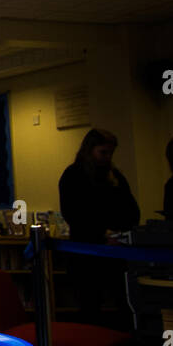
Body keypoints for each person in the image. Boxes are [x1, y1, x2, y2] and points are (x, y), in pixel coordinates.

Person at [59, 128, 140, 323]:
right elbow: (73, 214)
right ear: (90, 150)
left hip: (115, 250)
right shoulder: (74, 175)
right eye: (102, 152)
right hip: (87, 252)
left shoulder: (115, 177)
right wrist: (102, 235)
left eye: (110, 153)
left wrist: (122, 233)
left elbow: (132, 211)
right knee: (90, 307)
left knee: (123, 305)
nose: (107, 157)